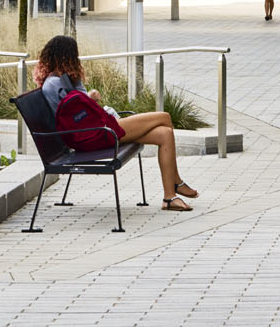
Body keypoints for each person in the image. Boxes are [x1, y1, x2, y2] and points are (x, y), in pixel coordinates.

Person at [35, 35, 198, 212]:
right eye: (74, 55)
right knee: (164, 117)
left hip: (98, 130)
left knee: (165, 134)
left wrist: (86, 95)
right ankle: (177, 182)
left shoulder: (66, 79)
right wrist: (90, 98)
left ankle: (169, 197)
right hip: (96, 134)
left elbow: (79, 108)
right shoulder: (53, 84)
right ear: (66, 56)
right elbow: (71, 117)